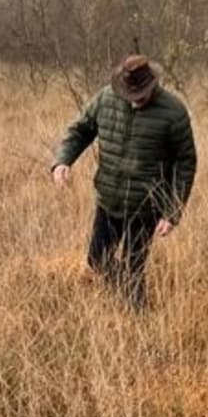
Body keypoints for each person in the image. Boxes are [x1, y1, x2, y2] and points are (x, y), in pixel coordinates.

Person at [52, 55, 197, 310]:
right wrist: (64, 161)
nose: (135, 102)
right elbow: (80, 130)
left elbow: (186, 163)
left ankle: (138, 314)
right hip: (109, 200)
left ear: (152, 85)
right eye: (130, 96)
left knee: (134, 267)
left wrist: (172, 211)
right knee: (97, 260)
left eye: (140, 96)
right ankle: (130, 295)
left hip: (146, 207)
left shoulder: (173, 112)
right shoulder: (106, 99)